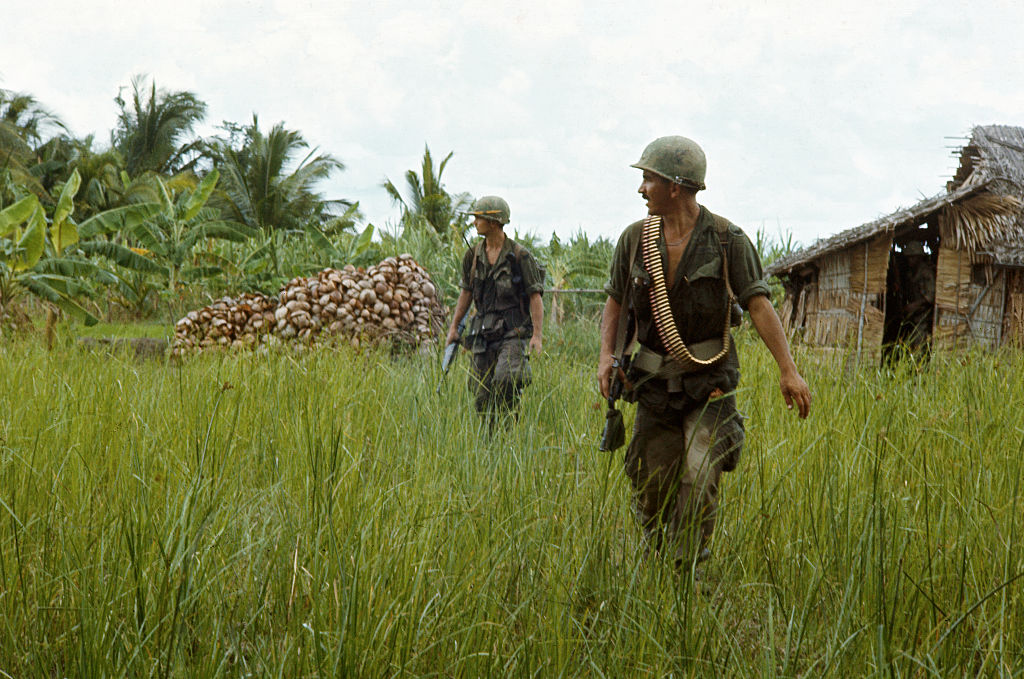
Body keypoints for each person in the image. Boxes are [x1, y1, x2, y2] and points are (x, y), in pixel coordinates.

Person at [597, 136, 811, 571]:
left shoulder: (728, 240)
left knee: (699, 478)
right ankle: (657, 560)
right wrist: (606, 355)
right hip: (652, 383)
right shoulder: (635, 239)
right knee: (651, 483)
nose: (641, 189)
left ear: (675, 186)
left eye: (649, 179)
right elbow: (616, 301)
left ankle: (689, 573)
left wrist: (788, 370)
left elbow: (758, 305)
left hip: (709, 382)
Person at [446, 196, 544, 431]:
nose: (475, 223)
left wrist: (537, 336)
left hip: (513, 331)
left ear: (493, 222)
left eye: (478, 218)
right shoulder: (473, 256)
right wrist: (454, 327)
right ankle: (490, 439)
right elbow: (466, 293)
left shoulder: (520, 256)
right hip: (482, 333)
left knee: (506, 379)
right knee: (480, 392)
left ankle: (508, 431)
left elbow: (535, 297)